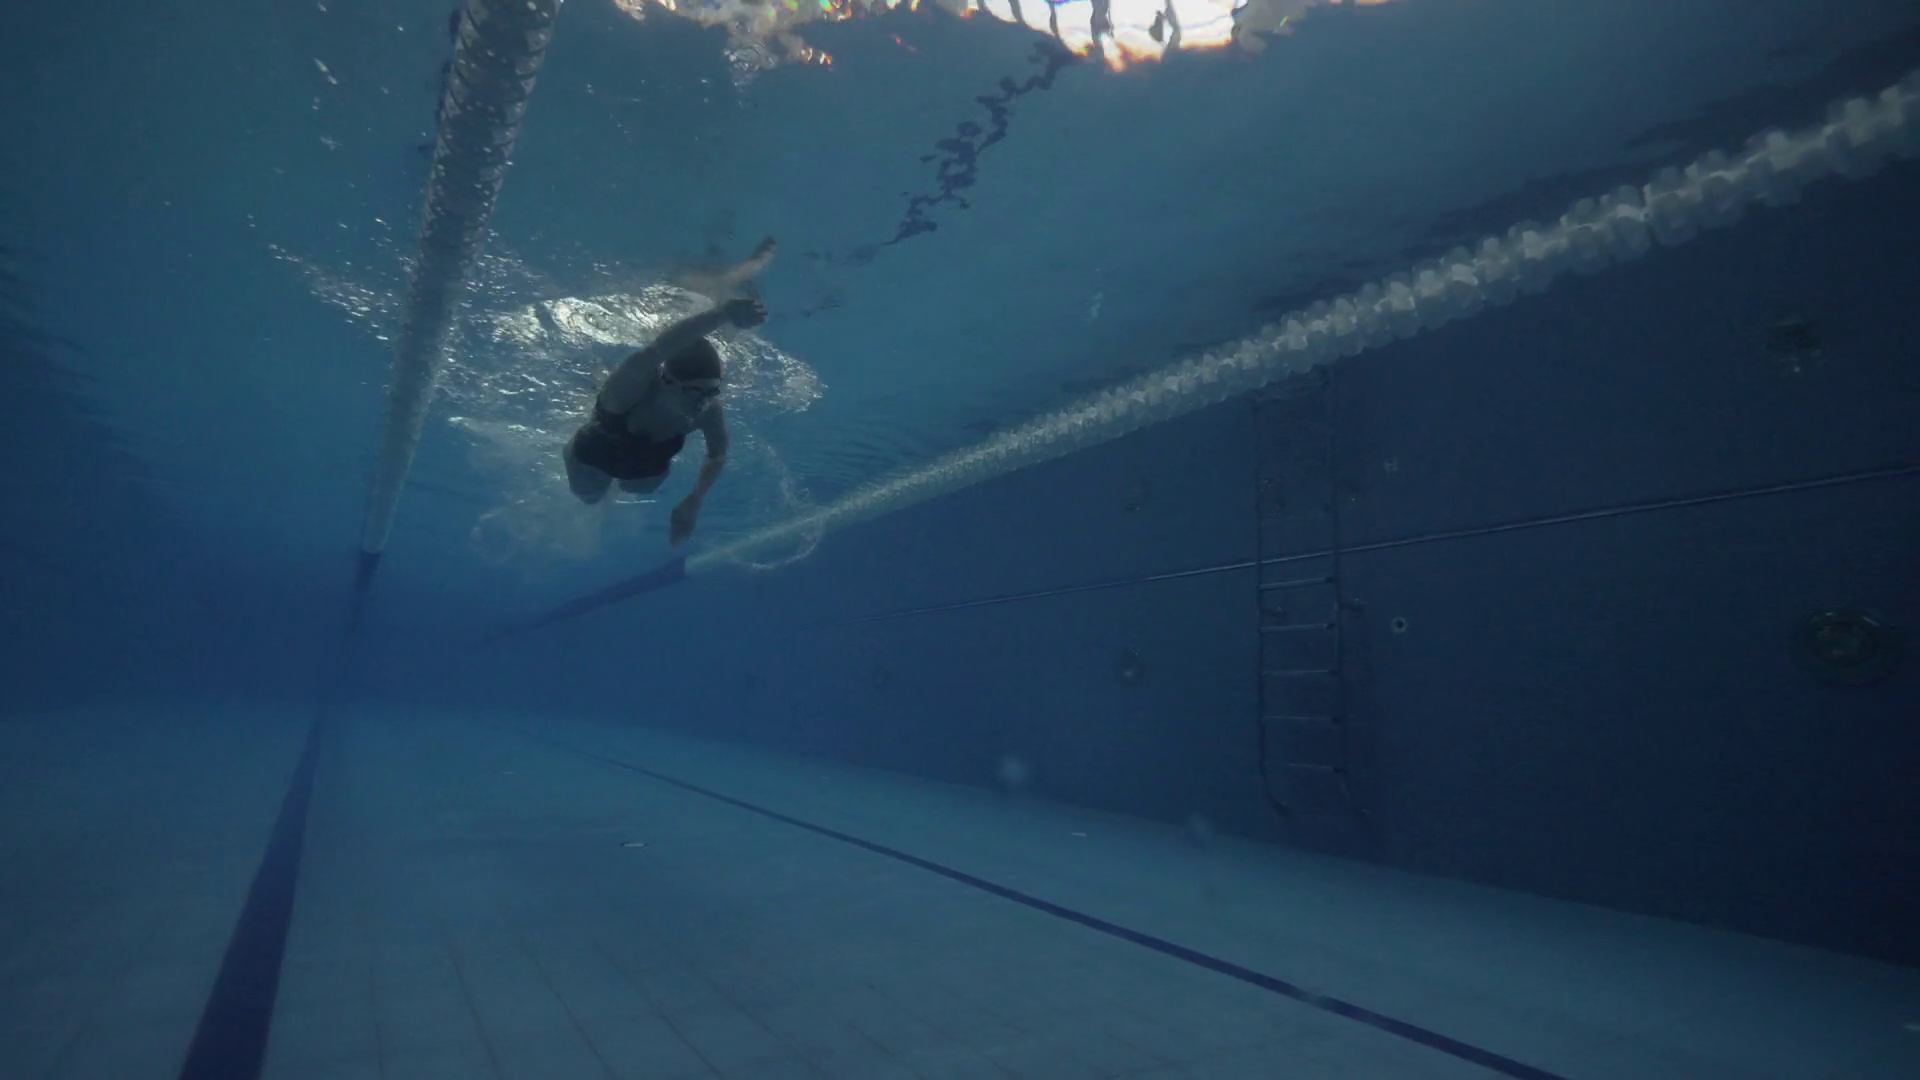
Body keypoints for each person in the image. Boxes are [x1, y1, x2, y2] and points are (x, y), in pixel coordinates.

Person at [564, 295, 767, 545]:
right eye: (695, 391)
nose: (703, 402)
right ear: (667, 381)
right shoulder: (629, 387)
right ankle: (604, 498)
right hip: (595, 454)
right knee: (589, 497)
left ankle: (616, 493)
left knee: (637, 489)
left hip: (648, 466)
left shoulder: (707, 409)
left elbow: (718, 452)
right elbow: (658, 349)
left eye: (712, 392)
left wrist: (695, 498)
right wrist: (723, 313)